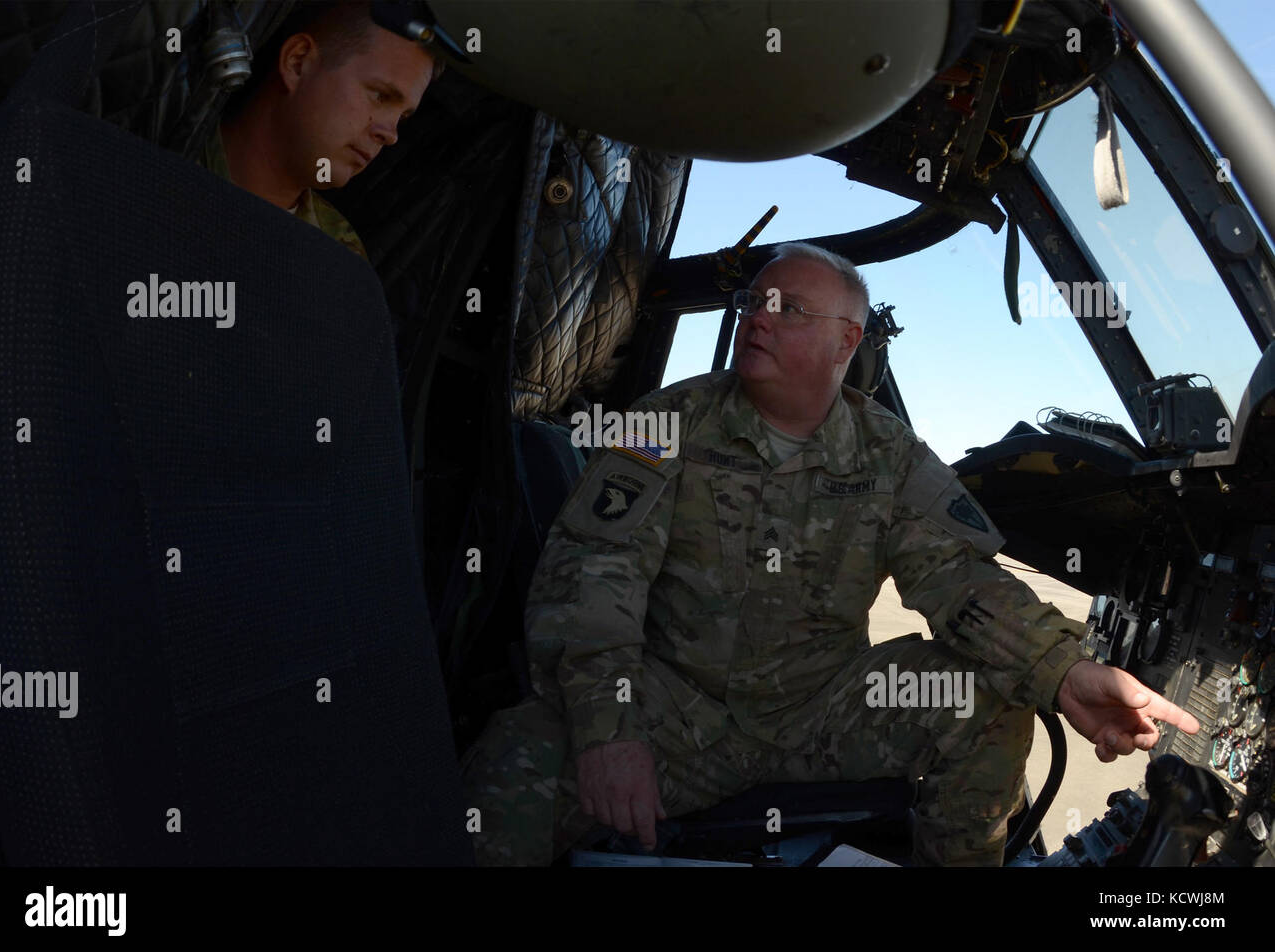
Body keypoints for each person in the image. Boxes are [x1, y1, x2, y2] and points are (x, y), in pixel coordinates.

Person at [461, 241, 1201, 866]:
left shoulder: (889, 456)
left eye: (790, 310)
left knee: (985, 701)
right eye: (755, 301)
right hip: (677, 710)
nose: (758, 317)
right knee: (512, 765)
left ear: (846, 341)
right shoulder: (665, 422)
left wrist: (1064, 671)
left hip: (827, 710)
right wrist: (609, 733)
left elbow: (957, 580)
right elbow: (595, 577)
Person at [197, 1, 444, 259]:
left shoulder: (341, 257)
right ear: (298, 61)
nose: (391, 135)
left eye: (402, 117)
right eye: (380, 96)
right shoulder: (164, 160)